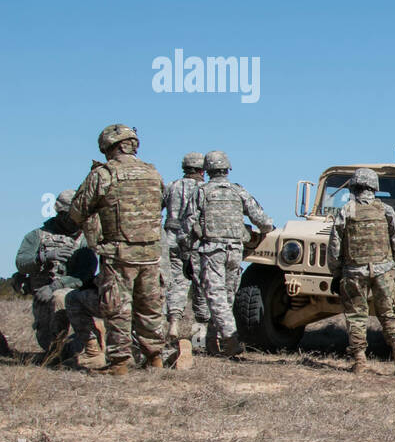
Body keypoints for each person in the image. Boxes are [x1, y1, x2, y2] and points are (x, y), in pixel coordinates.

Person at [66, 124, 167, 375]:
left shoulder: (104, 175)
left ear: (111, 147)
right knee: (150, 307)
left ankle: (120, 363)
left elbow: (77, 211)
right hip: (151, 253)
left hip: (119, 254)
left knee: (118, 308)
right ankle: (154, 358)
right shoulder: (153, 173)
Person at [184, 150, 274, 357]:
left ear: (207, 170)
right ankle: (213, 343)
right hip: (234, 251)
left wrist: (187, 250)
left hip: (212, 251)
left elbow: (188, 224)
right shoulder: (238, 192)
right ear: (227, 168)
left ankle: (231, 339)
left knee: (215, 296)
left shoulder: (202, 192)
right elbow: (265, 221)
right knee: (226, 296)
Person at [327, 168, 395, 374]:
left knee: (356, 316)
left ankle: (360, 360)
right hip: (384, 271)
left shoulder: (346, 210)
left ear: (354, 187)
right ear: (374, 188)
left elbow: (334, 246)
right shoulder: (386, 210)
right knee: (389, 313)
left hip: (354, 272)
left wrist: (336, 273)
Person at [13, 190, 94, 355]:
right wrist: (44, 257)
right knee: (50, 346)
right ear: (61, 213)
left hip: (73, 298)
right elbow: (21, 263)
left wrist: (56, 286)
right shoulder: (37, 236)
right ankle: (60, 349)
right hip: (43, 298)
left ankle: (85, 345)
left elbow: (85, 274)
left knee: (77, 347)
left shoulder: (85, 239)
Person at [164, 152, 209, 370]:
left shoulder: (171, 186)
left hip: (171, 240)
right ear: (203, 170)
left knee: (177, 283)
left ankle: (173, 323)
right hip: (197, 242)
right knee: (201, 288)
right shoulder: (204, 190)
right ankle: (199, 338)